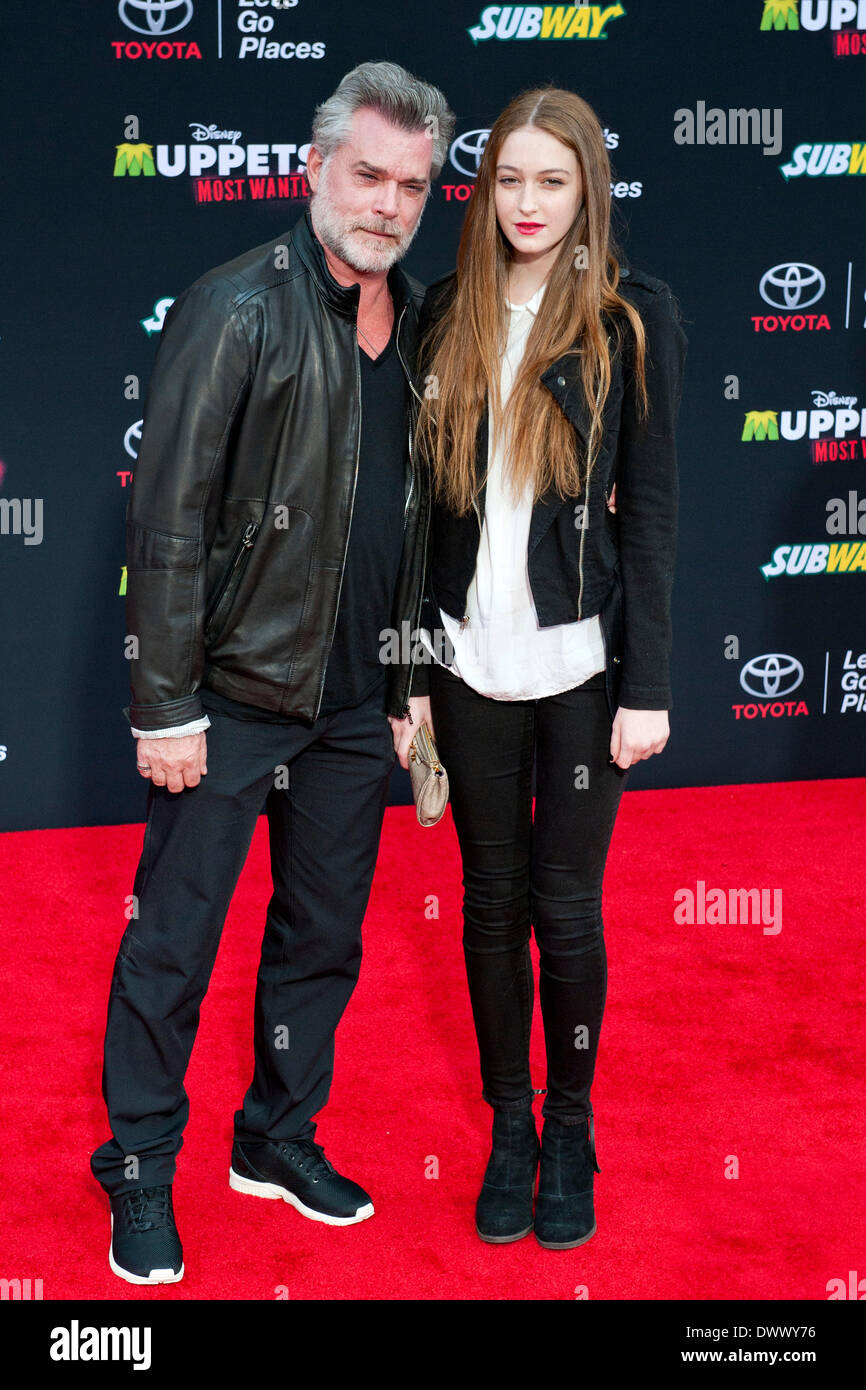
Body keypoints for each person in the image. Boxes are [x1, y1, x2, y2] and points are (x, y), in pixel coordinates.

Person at [91, 61, 451, 1284]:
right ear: (314, 170)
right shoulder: (236, 305)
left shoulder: (419, 328)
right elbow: (171, 518)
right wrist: (167, 704)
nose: (388, 202)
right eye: (367, 173)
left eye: (411, 183)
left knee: (321, 938)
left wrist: (406, 682)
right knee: (174, 944)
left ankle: (274, 1137)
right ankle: (139, 1165)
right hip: (232, 699)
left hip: (355, 705)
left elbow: (411, 522)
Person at [412, 86, 687, 1249]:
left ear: (586, 191)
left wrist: (649, 685)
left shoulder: (631, 318)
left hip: (579, 670)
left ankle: (569, 1127)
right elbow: (420, 510)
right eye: (509, 180)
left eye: (551, 181)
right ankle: (508, 1124)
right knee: (488, 906)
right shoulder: (443, 312)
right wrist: (406, 677)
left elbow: (653, 513)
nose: (527, 203)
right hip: (466, 665)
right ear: (485, 193)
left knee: (564, 911)